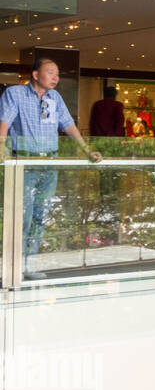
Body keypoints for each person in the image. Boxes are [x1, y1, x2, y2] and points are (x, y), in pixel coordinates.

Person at [0, 58, 103, 279]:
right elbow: (5, 121)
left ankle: (30, 265)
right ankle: (12, 265)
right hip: (25, 163)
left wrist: (86, 150)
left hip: (50, 163)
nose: (55, 78)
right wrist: (1, 146)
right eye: (50, 73)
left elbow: (67, 124)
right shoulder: (15, 93)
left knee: (41, 215)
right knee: (22, 217)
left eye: (57, 73)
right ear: (35, 75)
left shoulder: (54, 97)